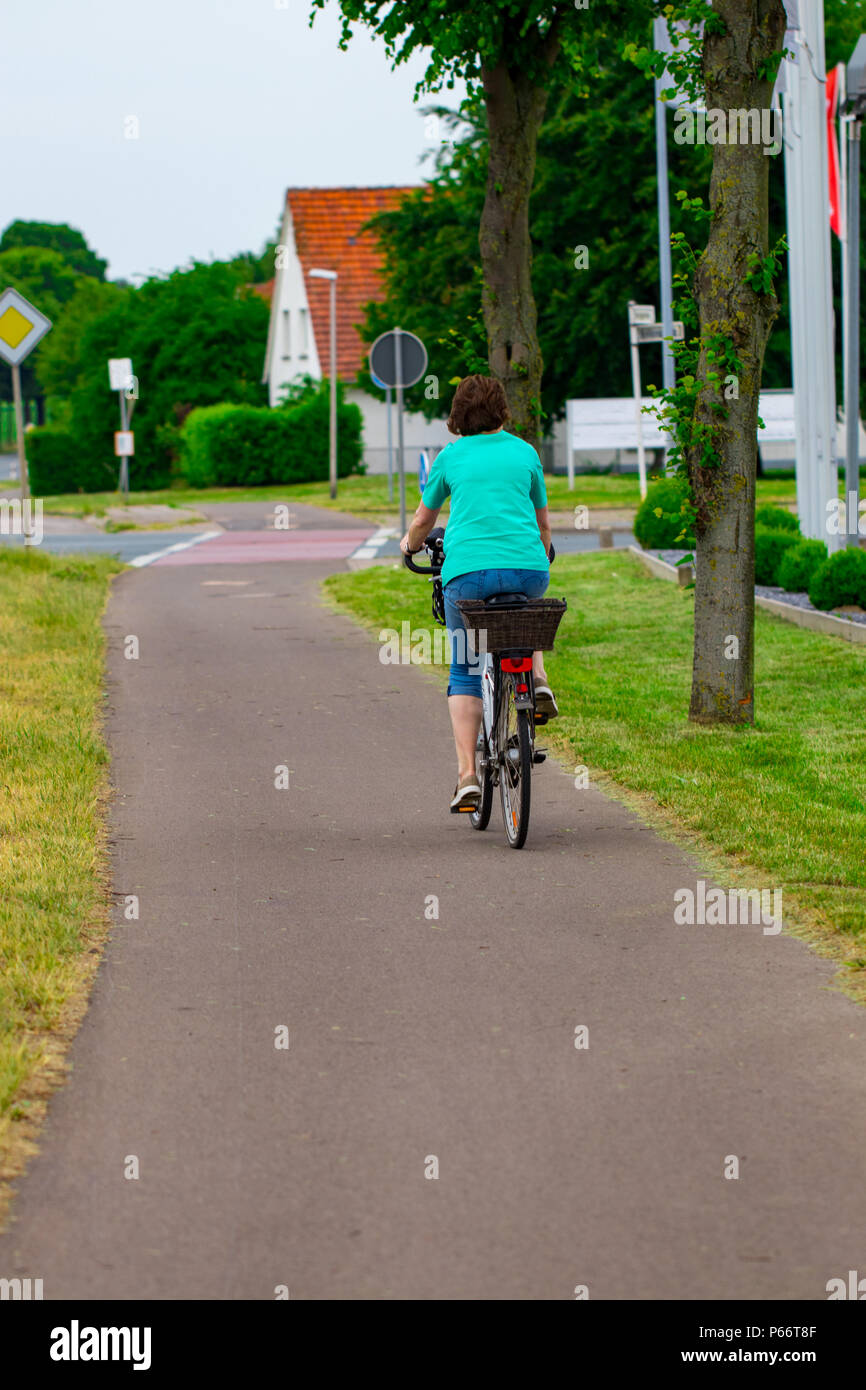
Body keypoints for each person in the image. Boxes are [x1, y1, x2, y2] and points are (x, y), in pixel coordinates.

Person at [400, 374, 557, 813]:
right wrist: (538, 555)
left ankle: (467, 775)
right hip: (527, 568)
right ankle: (538, 681)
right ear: (502, 409)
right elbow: (543, 523)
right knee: (525, 615)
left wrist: (409, 546)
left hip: (468, 576)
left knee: (466, 670)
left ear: (458, 414)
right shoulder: (526, 453)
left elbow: (423, 521)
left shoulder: (450, 458)